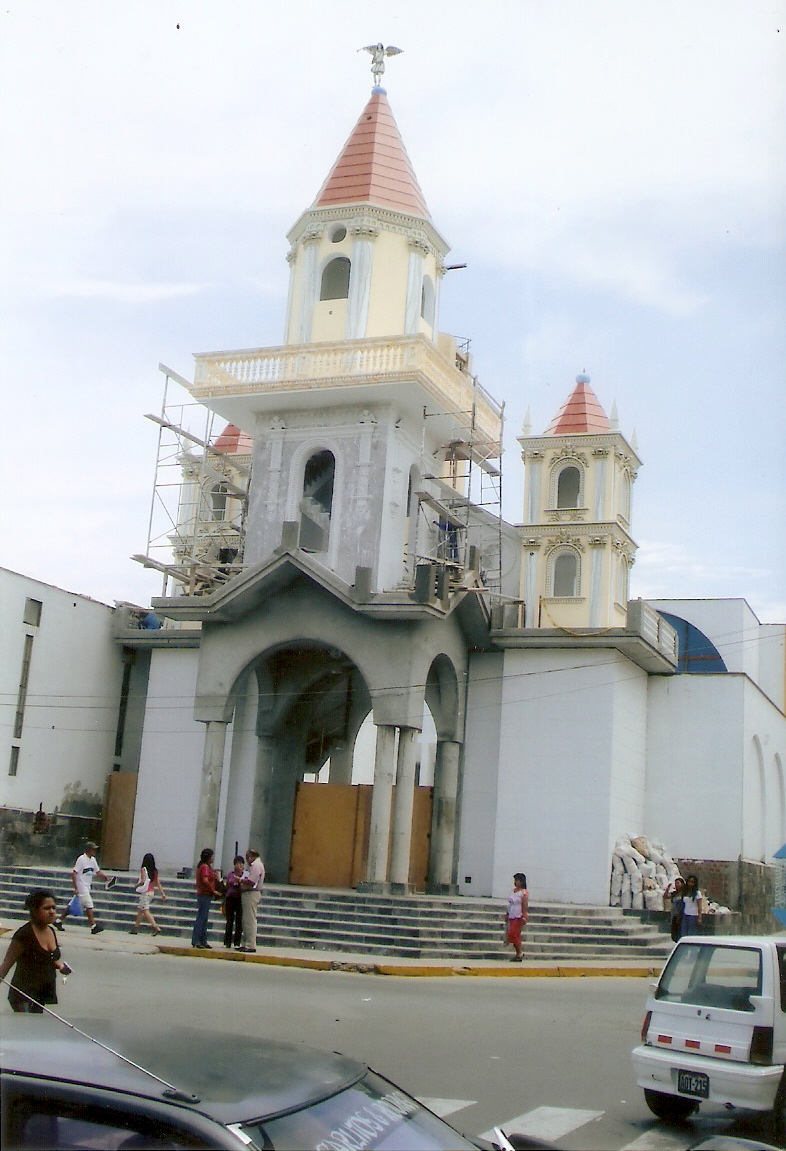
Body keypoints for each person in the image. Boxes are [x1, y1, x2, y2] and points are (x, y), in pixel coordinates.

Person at [0, 889, 69, 1012]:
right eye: (46, 908)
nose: (52, 912)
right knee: (26, 1022)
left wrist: (60, 966)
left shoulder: (51, 931)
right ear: (35, 911)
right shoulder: (24, 934)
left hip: (41, 993)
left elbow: (49, 957)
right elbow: (7, 963)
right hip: (23, 994)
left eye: (54, 908)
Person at [56, 841, 114, 934]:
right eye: (93, 849)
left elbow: (98, 872)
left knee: (72, 905)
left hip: (87, 886)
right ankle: (93, 926)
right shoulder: (81, 859)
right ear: (88, 850)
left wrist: (106, 878)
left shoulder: (93, 860)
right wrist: (76, 887)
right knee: (89, 904)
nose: (94, 851)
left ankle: (58, 921)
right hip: (81, 886)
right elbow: (74, 873)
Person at [129, 852, 167, 936]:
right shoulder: (155, 871)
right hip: (151, 892)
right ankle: (135, 927)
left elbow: (143, 881)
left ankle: (156, 927)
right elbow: (157, 883)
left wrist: (136, 885)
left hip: (145, 893)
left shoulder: (143, 869)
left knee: (145, 911)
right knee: (140, 910)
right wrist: (162, 893)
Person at [237, 848, 265, 953]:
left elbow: (251, 882)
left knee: (249, 920)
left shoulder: (256, 866)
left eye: (247, 857)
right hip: (248, 893)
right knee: (246, 920)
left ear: (251, 857)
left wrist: (240, 880)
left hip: (251, 894)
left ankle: (250, 944)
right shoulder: (255, 865)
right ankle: (246, 943)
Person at [191, 848, 218, 949]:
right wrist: (213, 890)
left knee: (204, 918)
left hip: (204, 894)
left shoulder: (203, 866)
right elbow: (205, 880)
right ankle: (197, 940)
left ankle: (202, 940)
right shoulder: (205, 867)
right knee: (202, 918)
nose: (213, 858)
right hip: (204, 894)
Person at [223, 855, 245, 950]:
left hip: (240, 898)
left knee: (239, 920)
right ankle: (227, 941)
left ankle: (237, 941)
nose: (240, 866)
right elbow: (228, 885)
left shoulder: (244, 875)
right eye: (238, 864)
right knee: (229, 920)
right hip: (230, 898)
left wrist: (240, 881)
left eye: (241, 864)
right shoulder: (231, 874)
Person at [505, 872, 529, 962]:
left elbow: (524, 905)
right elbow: (510, 904)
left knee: (514, 933)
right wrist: (507, 914)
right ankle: (518, 952)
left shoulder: (523, 893)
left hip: (518, 916)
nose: (515, 882)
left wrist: (524, 916)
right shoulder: (513, 891)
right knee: (512, 935)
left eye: (517, 880)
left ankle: (519, 952)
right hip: (512, 914)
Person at [666, 876, 685, 942]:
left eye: (678, 883)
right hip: (674, 915)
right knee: (674, 933)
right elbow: (666, 896)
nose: (676, 885)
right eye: (675, 883)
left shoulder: (684, 894)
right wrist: (667, 889)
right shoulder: (674, 893)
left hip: (681, 915)